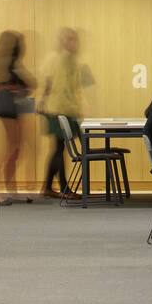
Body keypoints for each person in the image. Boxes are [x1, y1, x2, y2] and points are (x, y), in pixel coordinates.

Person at [38, 28, 92, 199]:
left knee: (58, 148)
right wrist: (43, 102)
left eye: (75, 40)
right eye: (69, 39)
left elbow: (66, 85)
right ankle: (63, 188)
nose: (73, 43)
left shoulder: (67, 60)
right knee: (59, 149)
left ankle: (48, 186)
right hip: (59, 109)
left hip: (60, 108)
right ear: (62, 41)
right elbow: (51, 83)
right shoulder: (62, 59)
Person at [0, 30, 36, 206]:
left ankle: (11, 190)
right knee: (9, 150)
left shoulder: (9, 62)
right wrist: (14, 86)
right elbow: (18, 82)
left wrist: (16, 86)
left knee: (15, 150)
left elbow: (26, 83)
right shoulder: (5, 62)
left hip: (11, 107)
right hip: (7, 107)